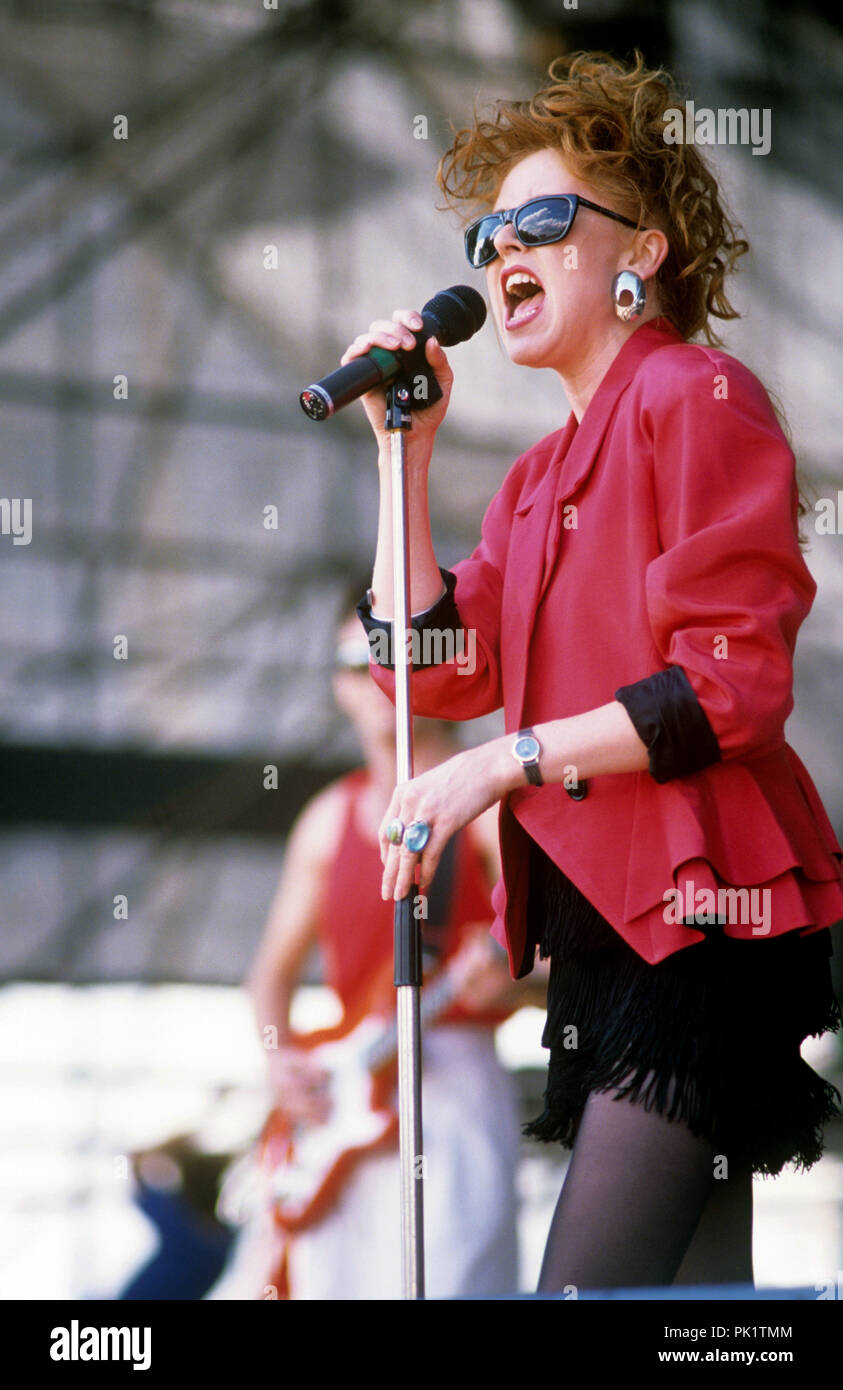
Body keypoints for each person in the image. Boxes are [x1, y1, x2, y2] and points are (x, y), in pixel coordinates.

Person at [347, 50, 843, 1292]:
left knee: (586, 1296)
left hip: (704, 917)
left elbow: (730, 683)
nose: (505, 247)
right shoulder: (533, 479)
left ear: (643, 253)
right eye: (488, 232)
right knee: (698, 1319)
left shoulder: (698, 395)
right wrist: (401, 461)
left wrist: (503, 766)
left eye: (545, 219)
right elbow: (430, 668)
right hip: (614, 937)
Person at [226, 603, 536, 1300]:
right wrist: (280, 1060)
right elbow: (269, 973)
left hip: (453, 1087)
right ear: (336, 686)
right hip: (341, 1097)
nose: (372, 680)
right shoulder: (326, 819)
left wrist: (518, 980)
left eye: (389, 659)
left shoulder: (484, 803)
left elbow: (565, 957)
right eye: (353, 664)